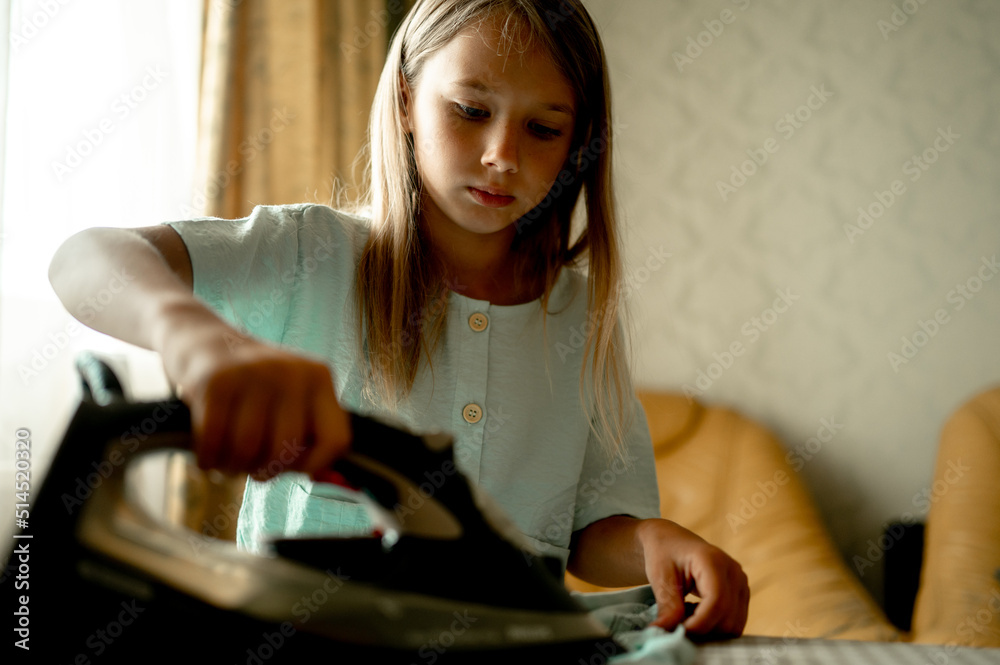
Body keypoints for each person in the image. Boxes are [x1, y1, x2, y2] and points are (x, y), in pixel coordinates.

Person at [48, 0, 748, 638]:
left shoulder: (581, 314)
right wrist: (192, 334)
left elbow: (590, 525)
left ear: (577, 146)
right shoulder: (308, 254)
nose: (502, 155)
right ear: (408, 101)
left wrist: (656, 540)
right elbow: (83, 261)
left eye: (542, 128)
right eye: (471, 110)